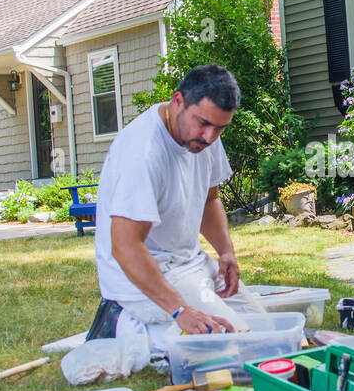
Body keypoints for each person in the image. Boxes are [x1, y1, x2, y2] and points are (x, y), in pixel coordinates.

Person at [87, 64, 256, 339]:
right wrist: (180, 311)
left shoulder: (204, 136)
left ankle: (161, 331)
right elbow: (124, 245)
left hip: (190, 263)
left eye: (220, 129)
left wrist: (226, 251)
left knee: (260, 327)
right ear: (177, 101)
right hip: (140, 278)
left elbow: (209, 199)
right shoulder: (143, 154)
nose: (210, 137)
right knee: (233, 341)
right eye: (203, 124)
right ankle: (124, 322)